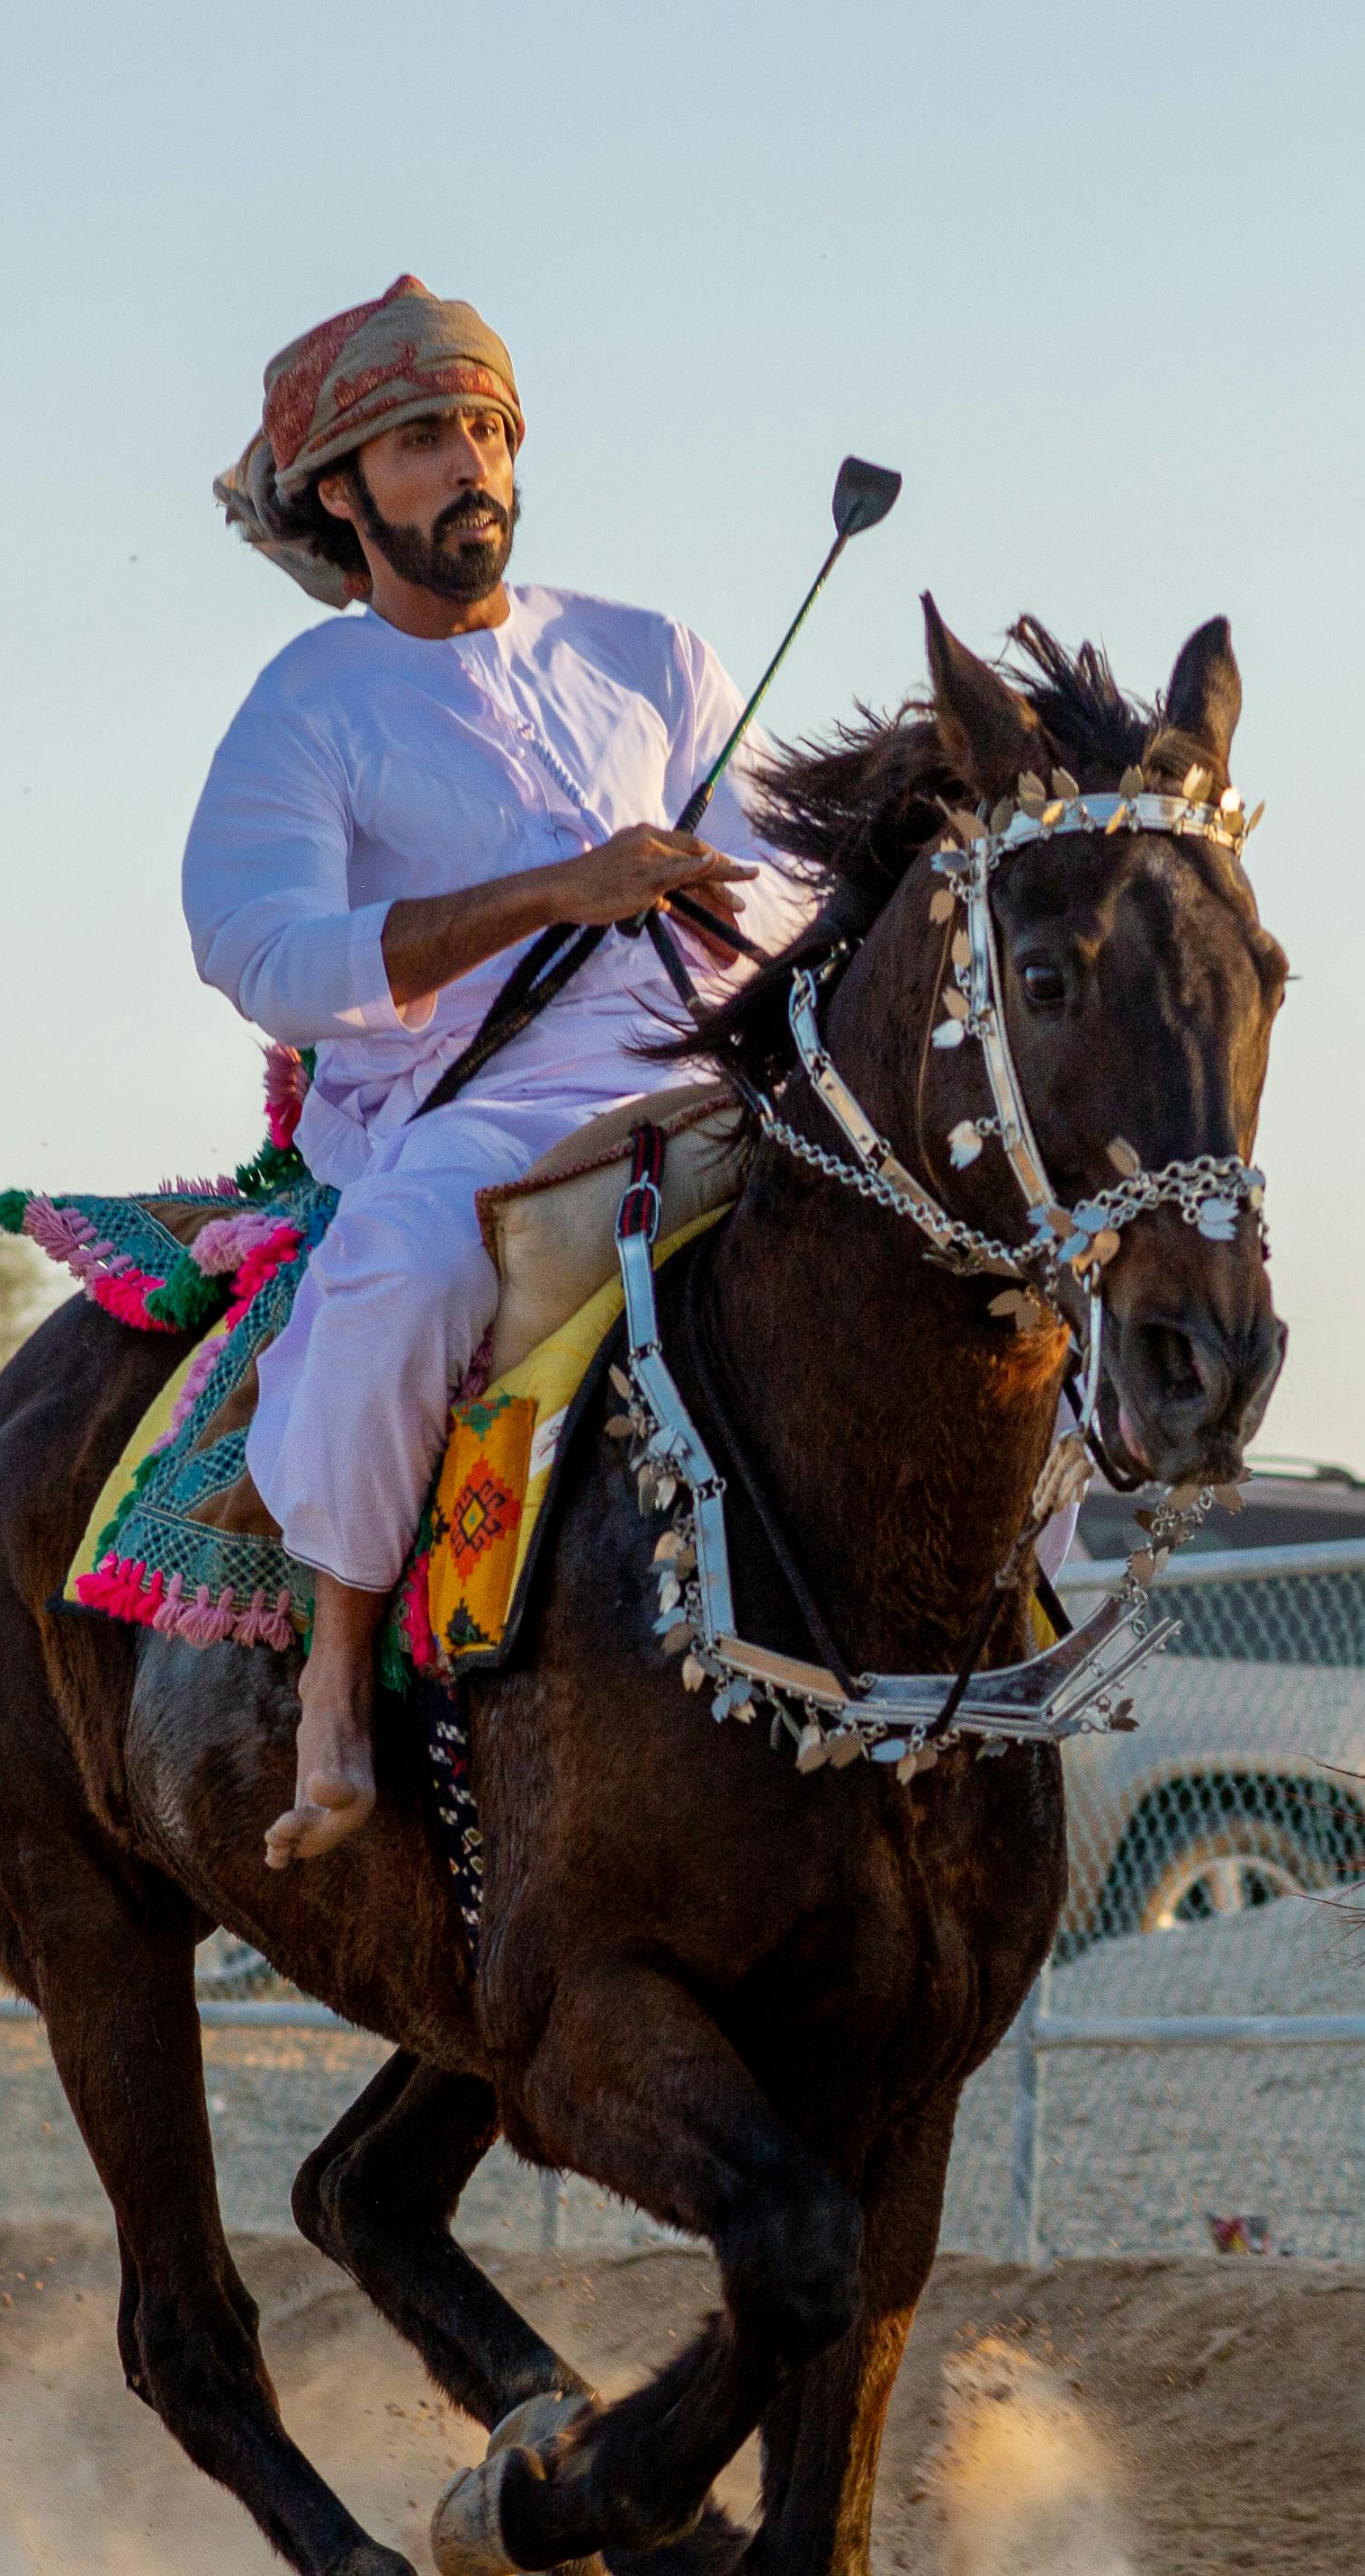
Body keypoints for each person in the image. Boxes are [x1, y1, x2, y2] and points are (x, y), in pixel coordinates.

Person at [187, 281, 802, 1867]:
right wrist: (551, 894)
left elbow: (792, 888)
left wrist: (731, 896)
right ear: (342, 493)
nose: (470, 464)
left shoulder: (649, 653)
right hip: (472, 1115)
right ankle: (336, 1683)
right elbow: (262, 953)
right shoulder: (307, 707)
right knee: (404, 1268)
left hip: (711, 1068)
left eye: (485, 430)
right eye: (421, 441)